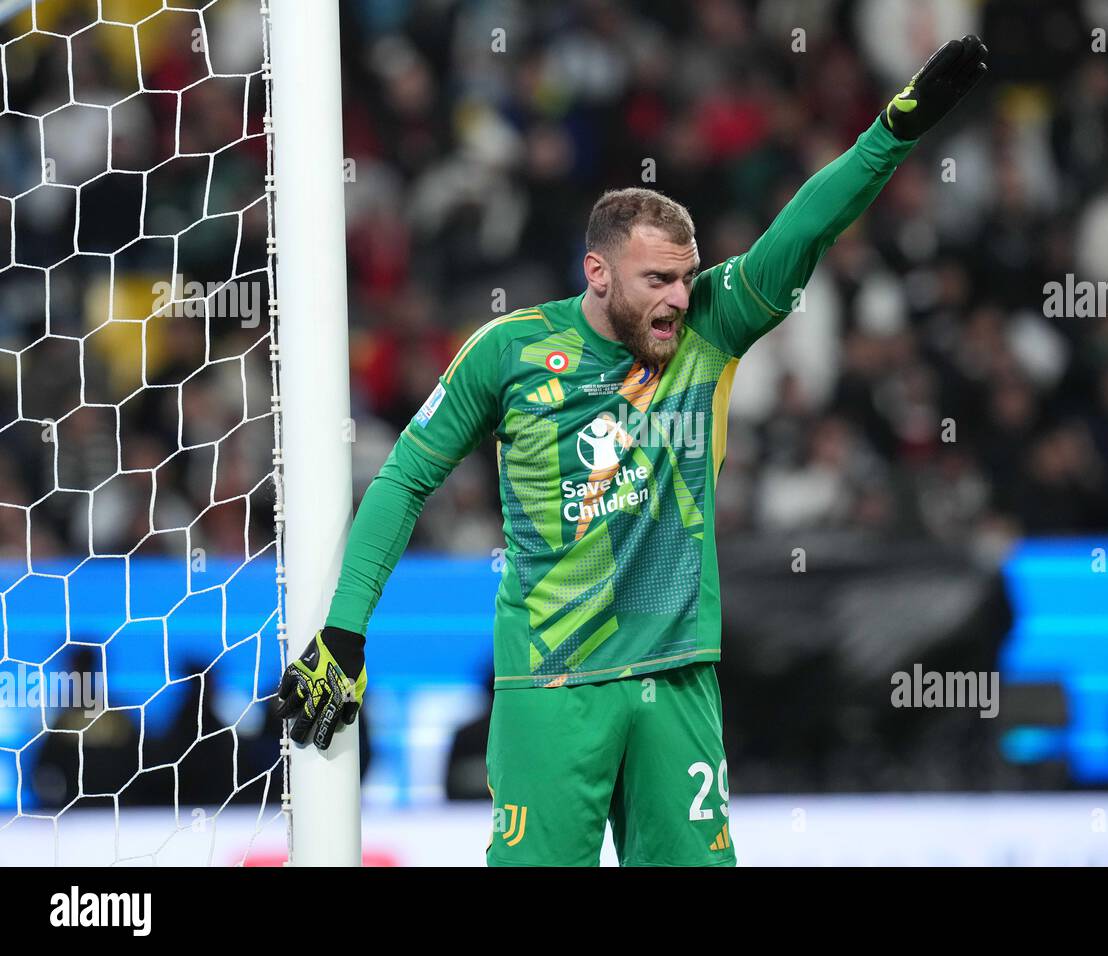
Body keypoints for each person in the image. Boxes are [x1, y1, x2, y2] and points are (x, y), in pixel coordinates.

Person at [275, 35, 989, 866]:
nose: (679, 300)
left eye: (686, 278)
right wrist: (346, 633)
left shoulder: (713, 329)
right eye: (658, 281)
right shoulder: (508, 353)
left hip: (678, 677)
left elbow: (808, 226)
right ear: (598, 274)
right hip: (552, 683)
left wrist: (894, 130)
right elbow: (404, 480)